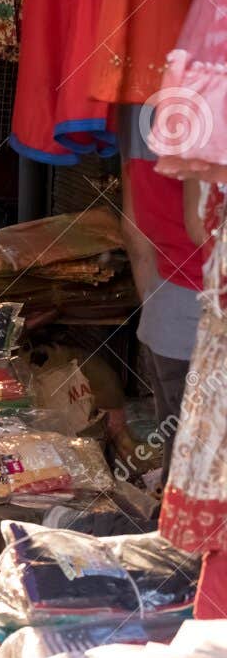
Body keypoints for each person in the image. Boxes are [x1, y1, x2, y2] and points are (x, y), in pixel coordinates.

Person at [119, 102, 208, 477]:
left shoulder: (137, 99)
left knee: (183, 479)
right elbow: (202, 224)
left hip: (168, 313)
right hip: (202, 318)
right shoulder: (212, 89)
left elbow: (134, 227)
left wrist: (157, 310)